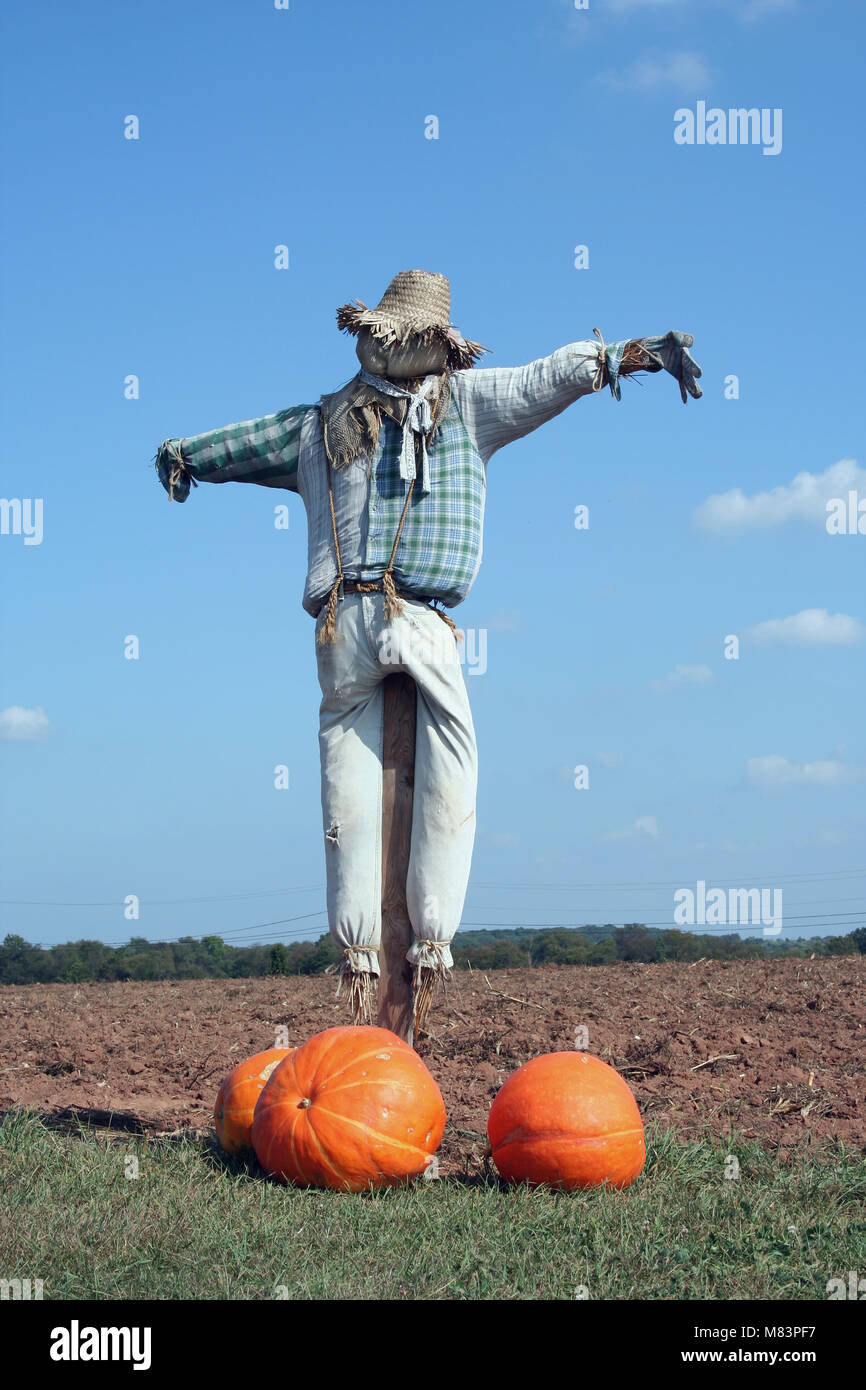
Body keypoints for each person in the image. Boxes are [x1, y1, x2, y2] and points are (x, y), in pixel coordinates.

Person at [155, 268, 701, 1027]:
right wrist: (632, 356)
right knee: (441, 767)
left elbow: (239, 443)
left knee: (363, 775)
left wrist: (183, 455)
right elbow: (551, 377)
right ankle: (413, 948)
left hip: (350, 624)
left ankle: (377, 954)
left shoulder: (327, 422)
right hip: (400, 621)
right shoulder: (447, 407)